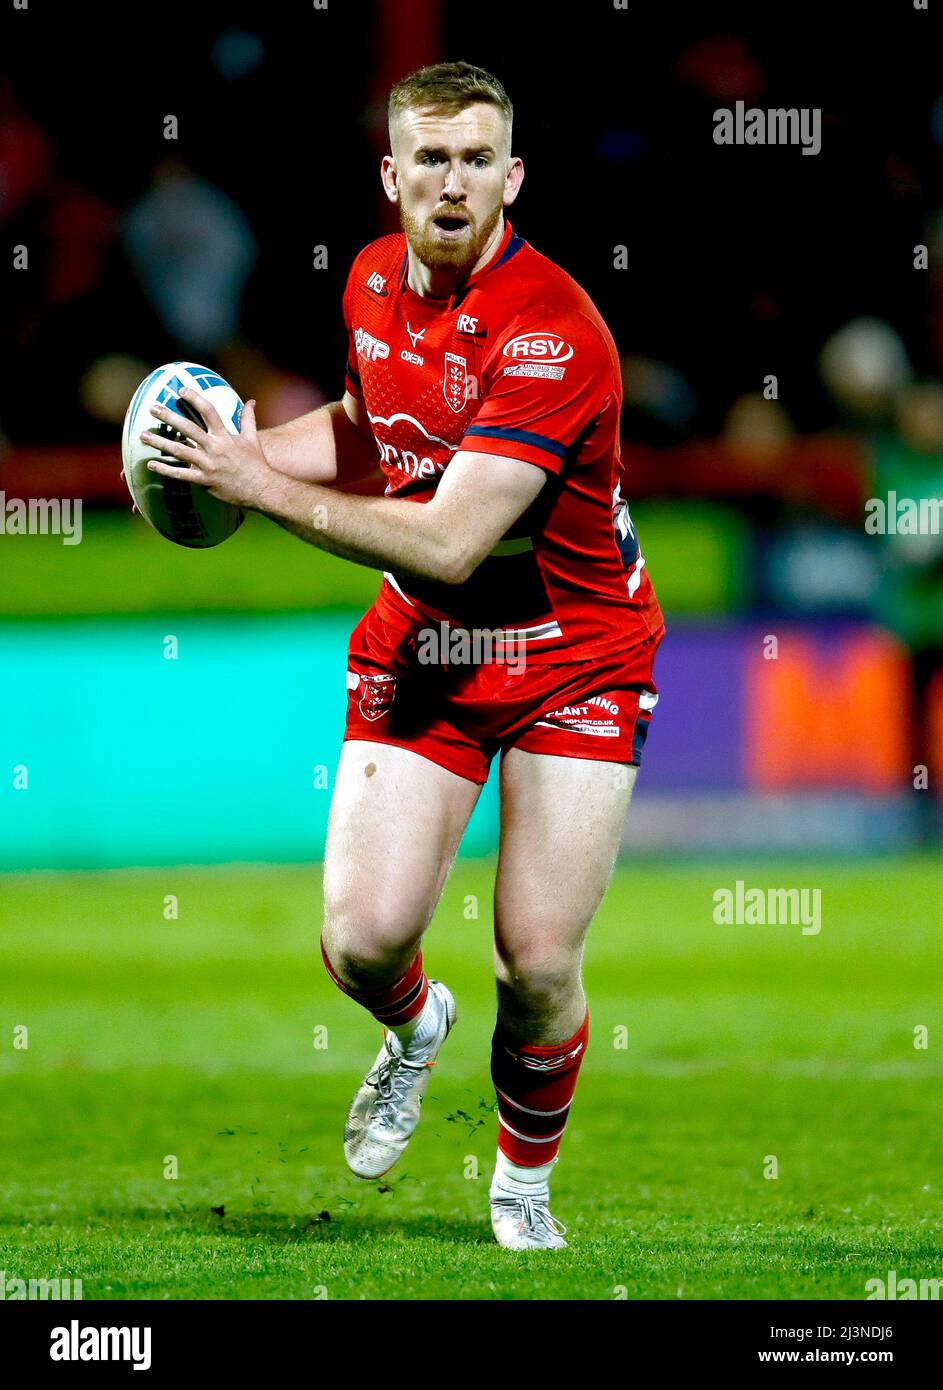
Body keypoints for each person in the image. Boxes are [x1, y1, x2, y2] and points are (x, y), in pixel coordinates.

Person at [141, 61, 665, 1250]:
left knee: (536, 959)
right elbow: (361, 432)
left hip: (571, 652)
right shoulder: (373, 281)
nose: (453, 181)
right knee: (361, 942)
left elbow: (448, 539)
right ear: (391, 174)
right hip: (427, 646)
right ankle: (416, 1024)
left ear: (513, 177)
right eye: (431, 158)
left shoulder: (554, 332)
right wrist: (220, 458)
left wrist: (254, 487)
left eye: (478, 159)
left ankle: (521, 1188)